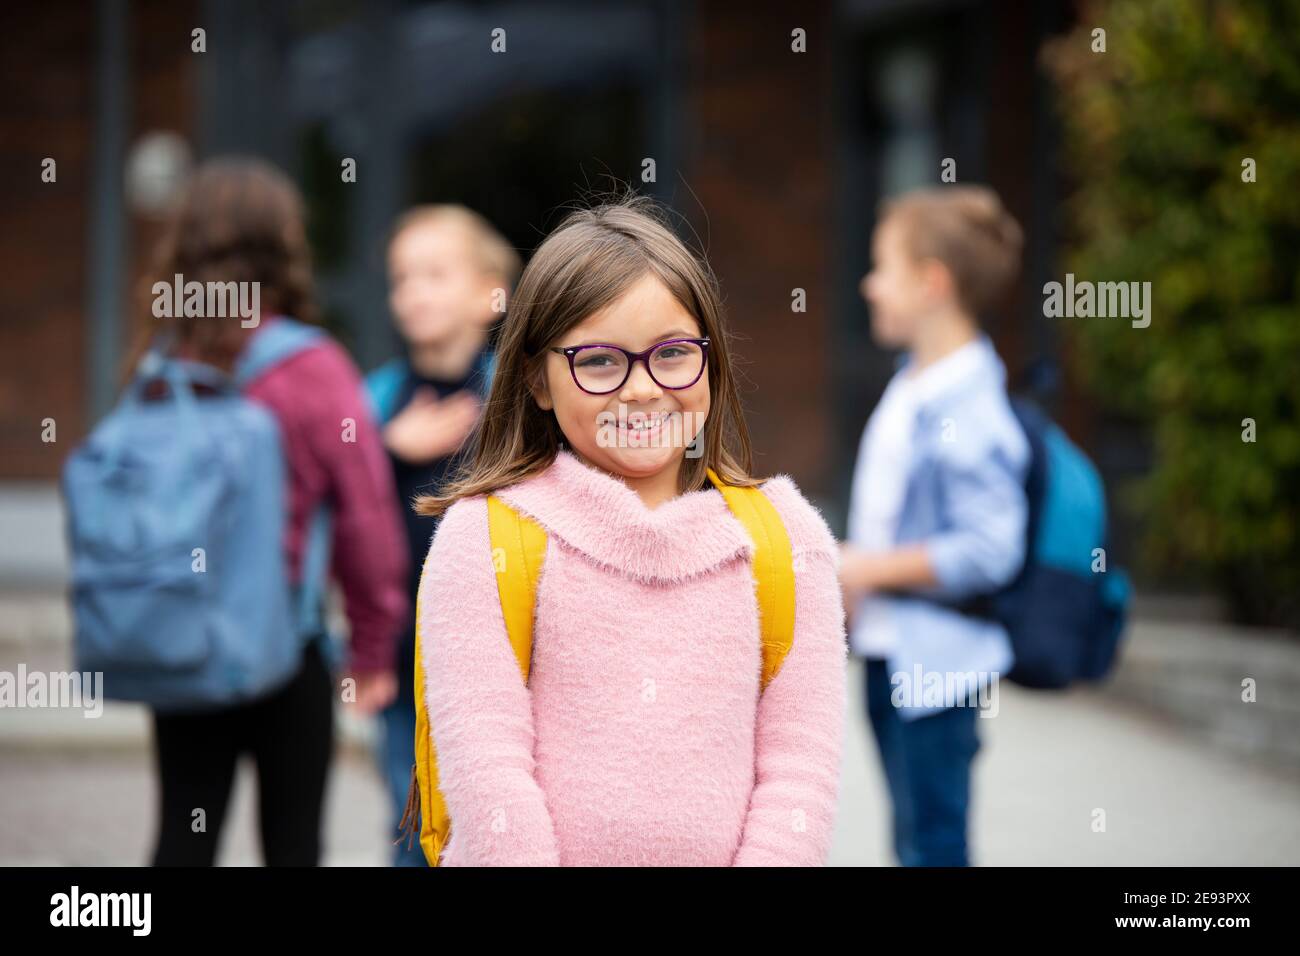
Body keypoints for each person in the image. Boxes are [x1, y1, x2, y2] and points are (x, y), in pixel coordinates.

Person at [412, 196, 847, 866]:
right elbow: (490, 773)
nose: (643, 389)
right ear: (537, 378)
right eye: (600, 361)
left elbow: (800, 773)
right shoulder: (485, 541)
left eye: (673, 354)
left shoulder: (788, 541)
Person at [133, 158, 409, 866]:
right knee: (292, 845)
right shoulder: (312, 367)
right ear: (283, 245)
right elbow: (365, 519)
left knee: (179, 839)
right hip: (286, 647)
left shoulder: (164, 362)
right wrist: (374, 644)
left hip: (186, 641)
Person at [838, 185, 1031, 867]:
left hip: (937, 668)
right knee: (912, 838)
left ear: (931, 283)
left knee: (935, 844)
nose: (868, 285)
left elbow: (990, 549)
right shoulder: (914, 383)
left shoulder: (968, 403)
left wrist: (862, 568)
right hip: (892, 654)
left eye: (882, 268)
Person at [365, 205, 521, 865]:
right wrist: (383, 449)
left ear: (493, 295)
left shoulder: (515, 399)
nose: (414, 293)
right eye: (402, 279)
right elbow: (327, 501)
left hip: (491, 653)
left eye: (434, 274)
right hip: (401, 653)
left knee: (490, 813)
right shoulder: (377, 398)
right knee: (412, 811)